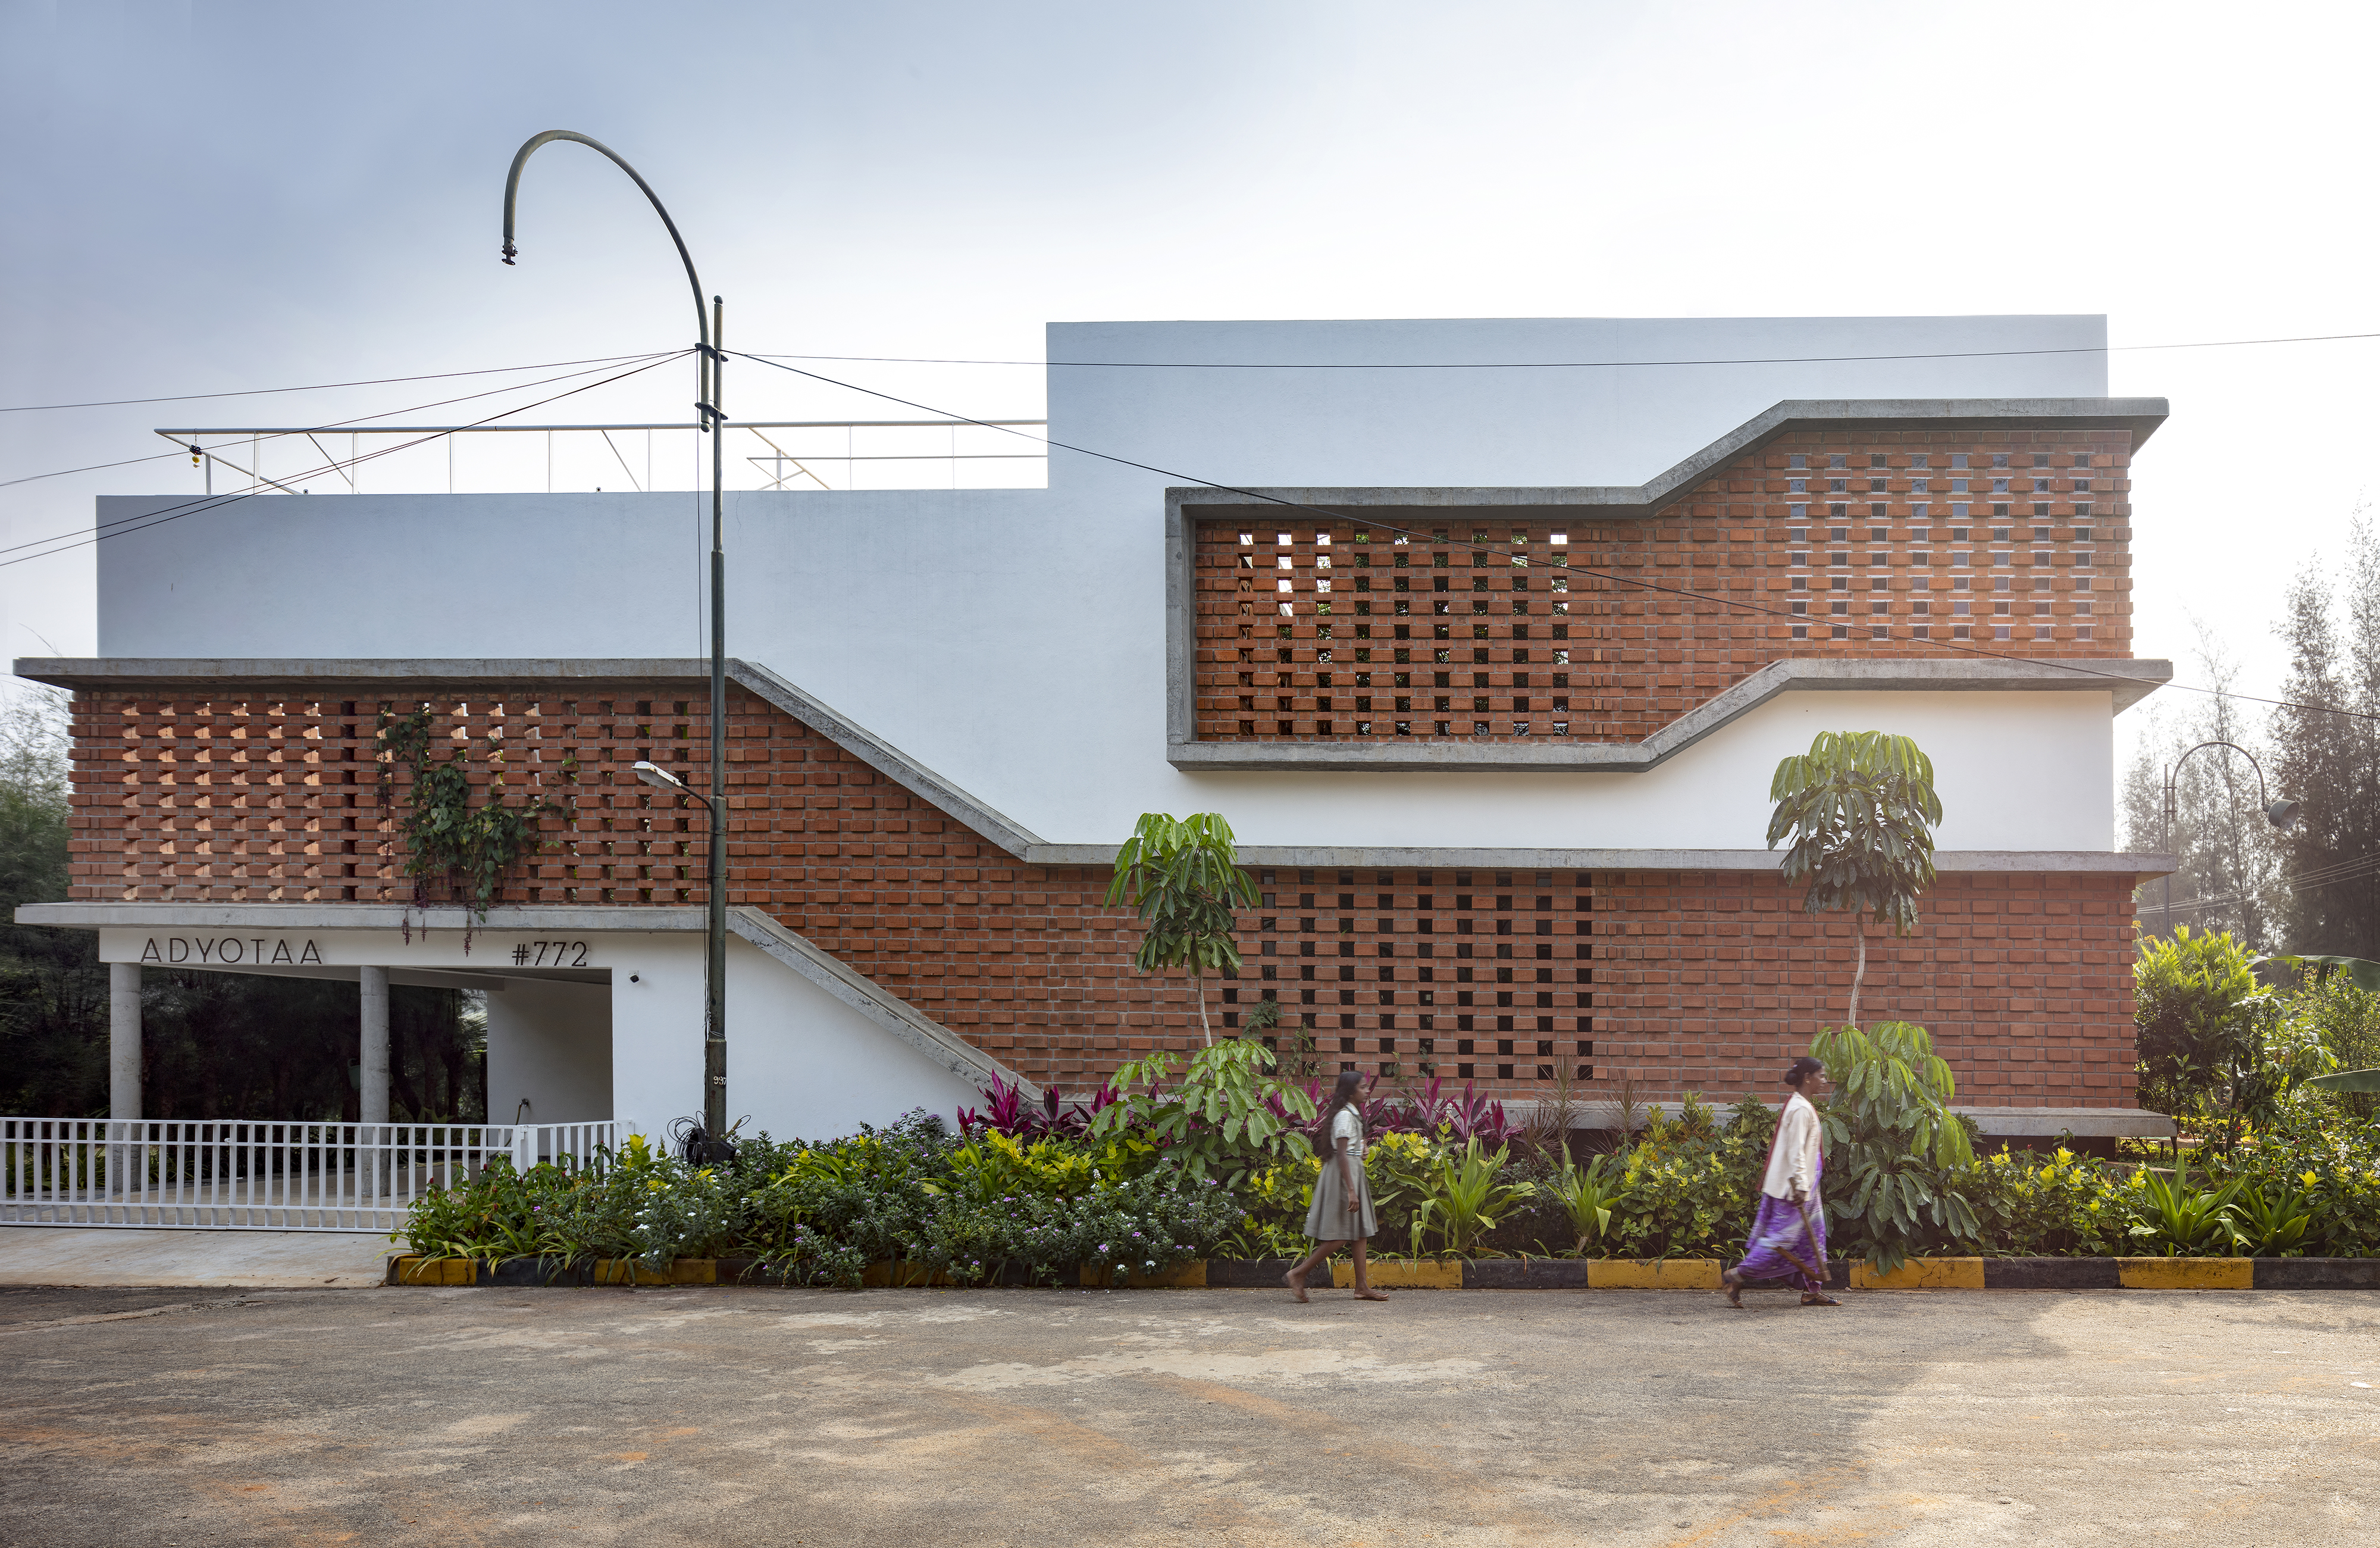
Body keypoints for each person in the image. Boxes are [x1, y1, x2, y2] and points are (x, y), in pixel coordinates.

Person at [1722, 1056, 1841, 1308]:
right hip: (1794, 1191)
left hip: (1807, 1188)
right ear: (1808, 1078)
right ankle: (1738, 1274)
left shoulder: (1801, 1105)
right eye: (1821, 1075)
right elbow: (1796, 1151)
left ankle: (1812, 1291)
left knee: (1813, 1240)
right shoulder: (1799, 1109)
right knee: (1781, 1241)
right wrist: (1799, 1186)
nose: (1825, 1081)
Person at [1285, 1069, 1388, 1303]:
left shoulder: (1352, 1114)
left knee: (1360, 1232)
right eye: (1363, 1087)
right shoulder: (1344, 1116)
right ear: (1350, 1091)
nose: (1367, 1090)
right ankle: (1298, 1273)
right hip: (1343, 1177)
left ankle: (1361, 1287)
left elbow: (1348, 1151)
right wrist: (1351, 1190)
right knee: (1339, 1236)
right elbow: (1341, 1155)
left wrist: (1360, 1151)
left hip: (1352, 1172)